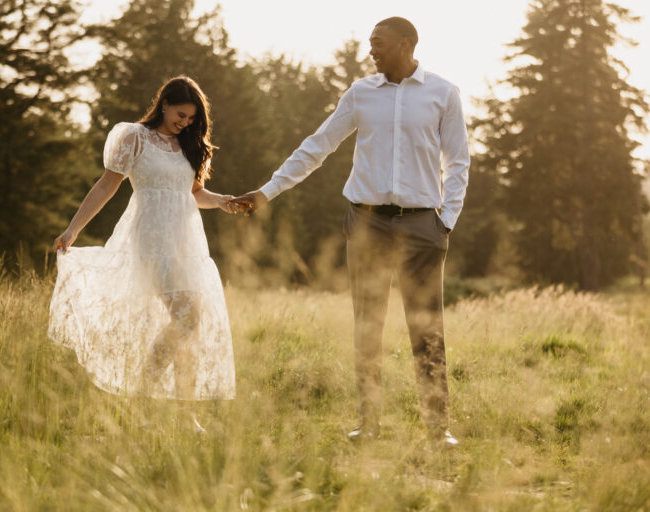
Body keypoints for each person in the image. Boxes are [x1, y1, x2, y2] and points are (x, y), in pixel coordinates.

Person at [236, 17, 470, 445]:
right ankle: (369, 423)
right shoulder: (360, 93)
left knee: (428, 330)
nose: (371, 51)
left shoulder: (443, 93)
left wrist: (445, 222)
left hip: (422, 227)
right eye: (369, 44)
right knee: (368, 326)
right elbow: (318, 145)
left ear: (405, 44)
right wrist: (269, 191)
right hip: (366, 225)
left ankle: (438, 429)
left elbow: (458, 162)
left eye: (378, 44)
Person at [49, 76, 244, 429]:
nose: (185, 123)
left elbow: (195, 193)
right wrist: (73, 228)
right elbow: (107, 184)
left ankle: (182, 412)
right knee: (188, 316)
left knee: (189, 323)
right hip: (151, 237)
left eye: (191, 119)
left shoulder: (187, 144)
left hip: (185, 239)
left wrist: (225, 202)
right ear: (165, 103)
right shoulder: (134, 137)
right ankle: (144, 396)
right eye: (181, 114)